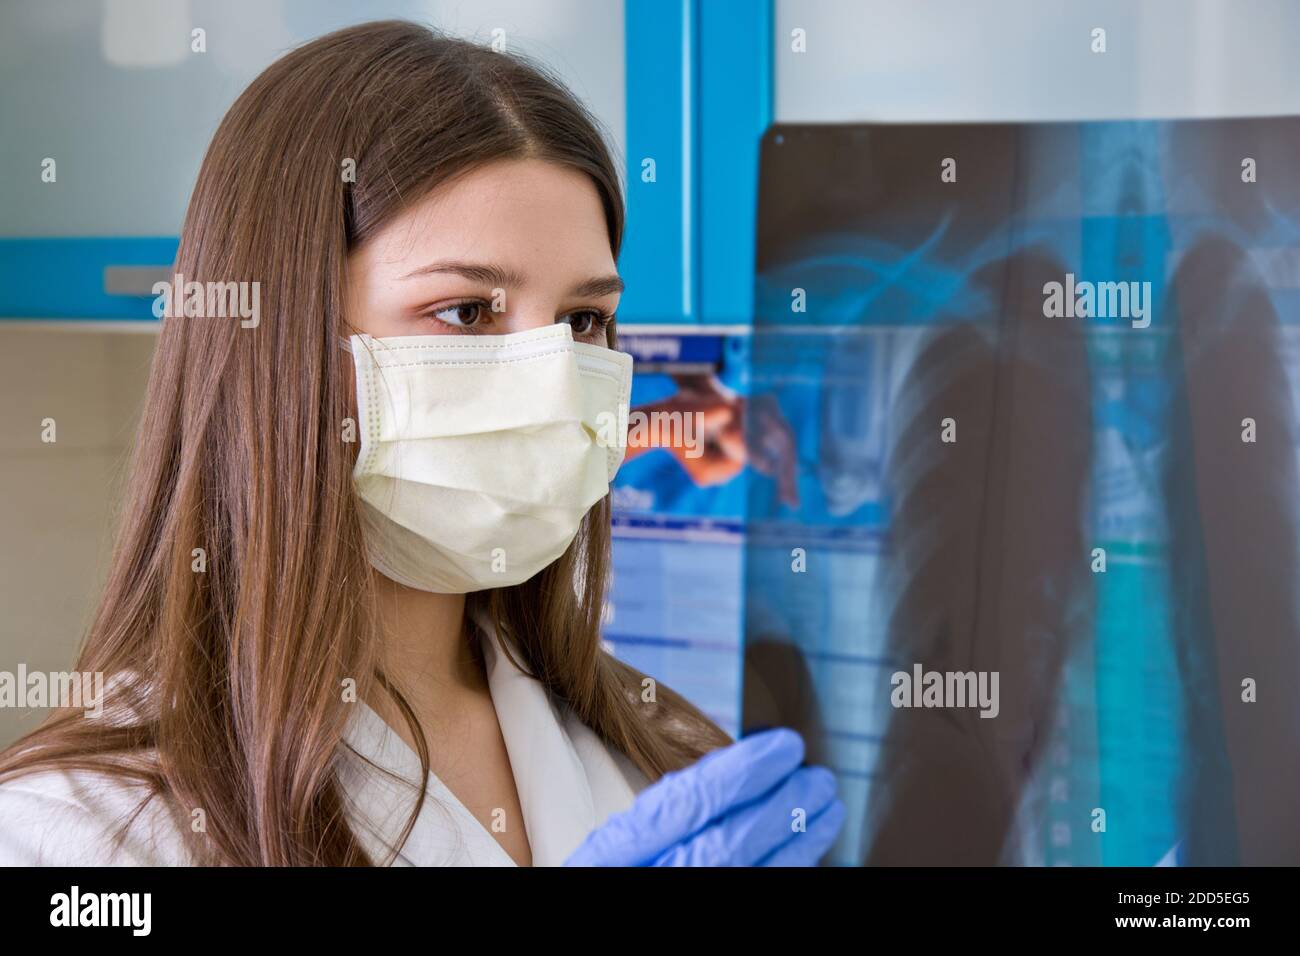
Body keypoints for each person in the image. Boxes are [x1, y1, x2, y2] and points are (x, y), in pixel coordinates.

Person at [0, 20, 844, 867]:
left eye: (583, 320)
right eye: (468, 311)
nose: (553, 383)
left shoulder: (664, 757)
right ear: (278, 341)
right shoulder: (77, 832)